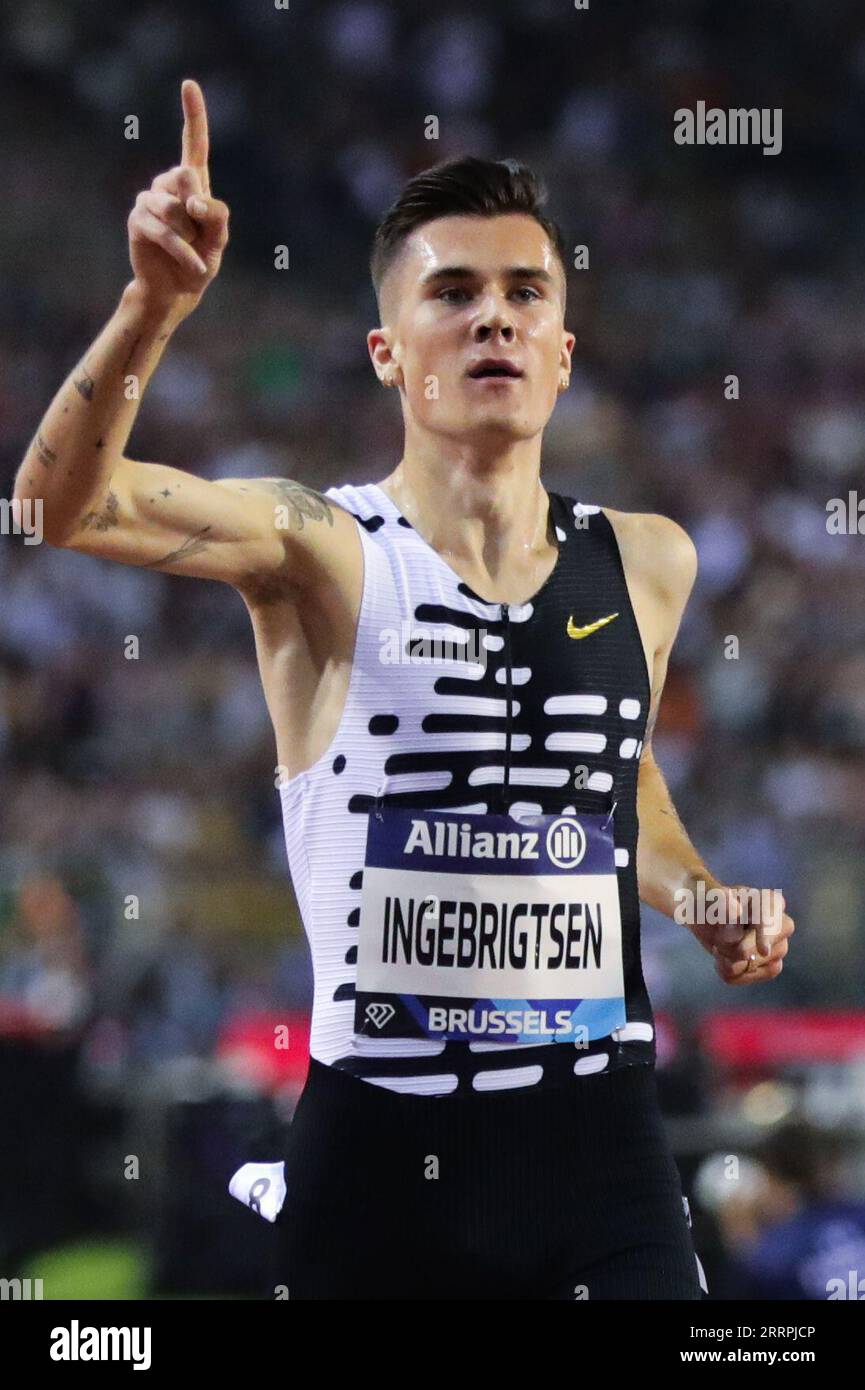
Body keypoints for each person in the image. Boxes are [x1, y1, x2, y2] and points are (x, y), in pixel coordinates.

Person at [14, 79, 795, 1300]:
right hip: (383, 1139)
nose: (495, 318)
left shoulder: (647, 560)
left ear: (562, 353)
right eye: (454, 293)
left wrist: (698, 895)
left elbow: (608, 770)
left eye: (524, 294)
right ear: (388, 352)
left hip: (597, 1137)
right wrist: (150, 307)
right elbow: (58, 508)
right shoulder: (319, 546)